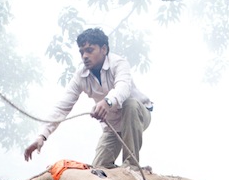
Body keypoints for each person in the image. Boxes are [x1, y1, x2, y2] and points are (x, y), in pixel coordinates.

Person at [23, 27, 154, 169]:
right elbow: (62, 106)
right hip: (113, 125)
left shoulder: (119, 63)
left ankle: (132, 166)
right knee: (98, 168)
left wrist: (107, 102)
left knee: (131, 104)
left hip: (138, 116)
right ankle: (124, 172)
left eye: (90, 50)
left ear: (104, 49)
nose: (85, 56)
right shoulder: (81, 75)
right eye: (81, 52)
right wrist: (42, 136)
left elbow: (123, 87)